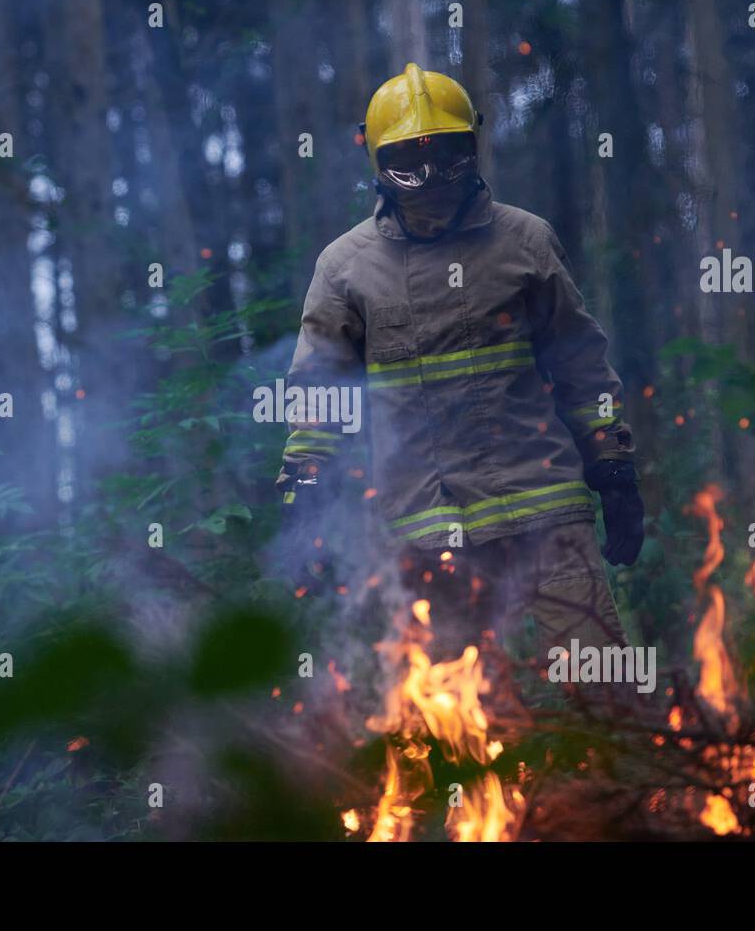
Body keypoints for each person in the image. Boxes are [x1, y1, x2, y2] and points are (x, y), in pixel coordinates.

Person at [276, 63, 644, 657]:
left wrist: (614, 469)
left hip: (544, 512)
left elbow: (581, 366)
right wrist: (305, 489)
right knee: (455, 724)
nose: (432, 179)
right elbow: (320, 389)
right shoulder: (344, 267)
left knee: (600, 688)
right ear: (376, 163)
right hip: (428, 531)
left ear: (473, 148)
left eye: (448, 158)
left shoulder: (524, 241)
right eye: (410, 165)